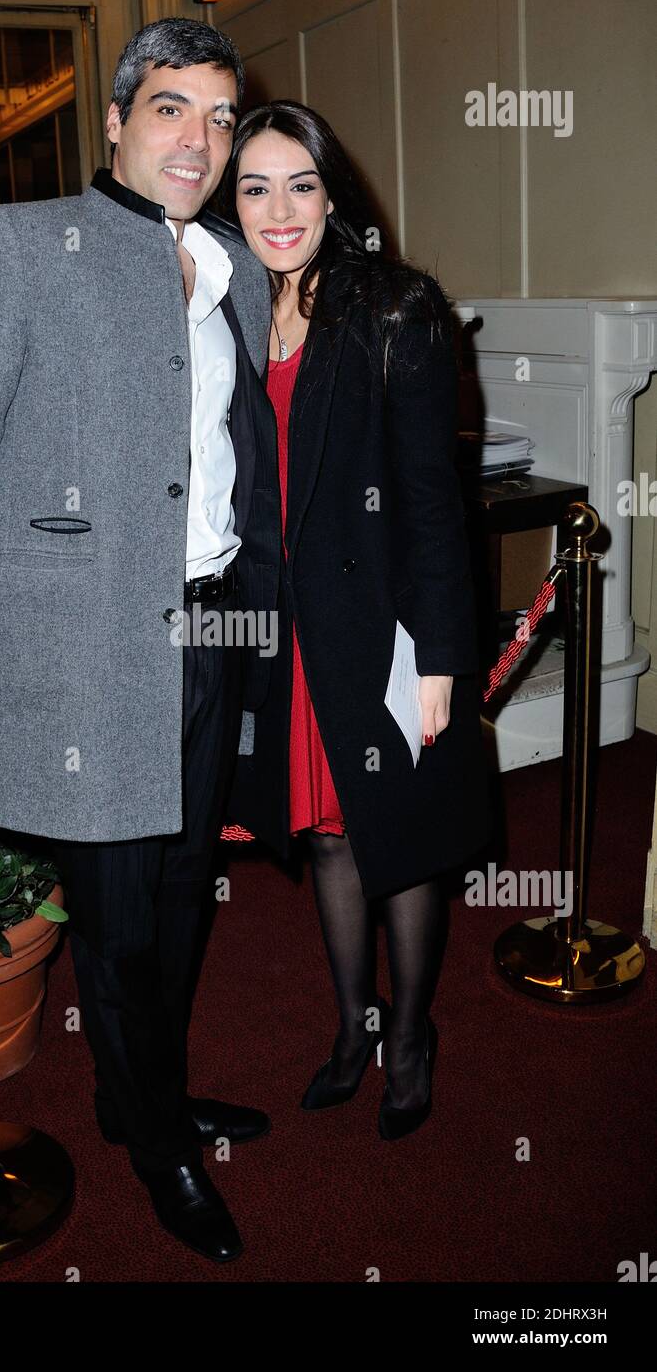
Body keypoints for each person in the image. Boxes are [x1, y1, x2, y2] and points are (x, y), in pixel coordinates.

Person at [0, 18, 282, 1264]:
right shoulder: (24, 247)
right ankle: (159, 1142)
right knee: (116, 922)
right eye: (173, 109)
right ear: (113, 120)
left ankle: (138, 1094)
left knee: (182, 894)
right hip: (89, 652)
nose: (201, 139)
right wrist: (32, 616)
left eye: (221, 117)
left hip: (208, 627)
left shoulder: (232, 264)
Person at [221, 100, 493, 1140]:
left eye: (298, 183)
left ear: (333, 193)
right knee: (328, 838)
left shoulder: (392, 305)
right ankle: (353, 1027)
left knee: (401, 841)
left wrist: (436, 659)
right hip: (286, 632)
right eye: (254, 186)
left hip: (378, 633)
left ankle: (411, 1039)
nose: (277, 208)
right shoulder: (237, 310)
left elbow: (434, 500)